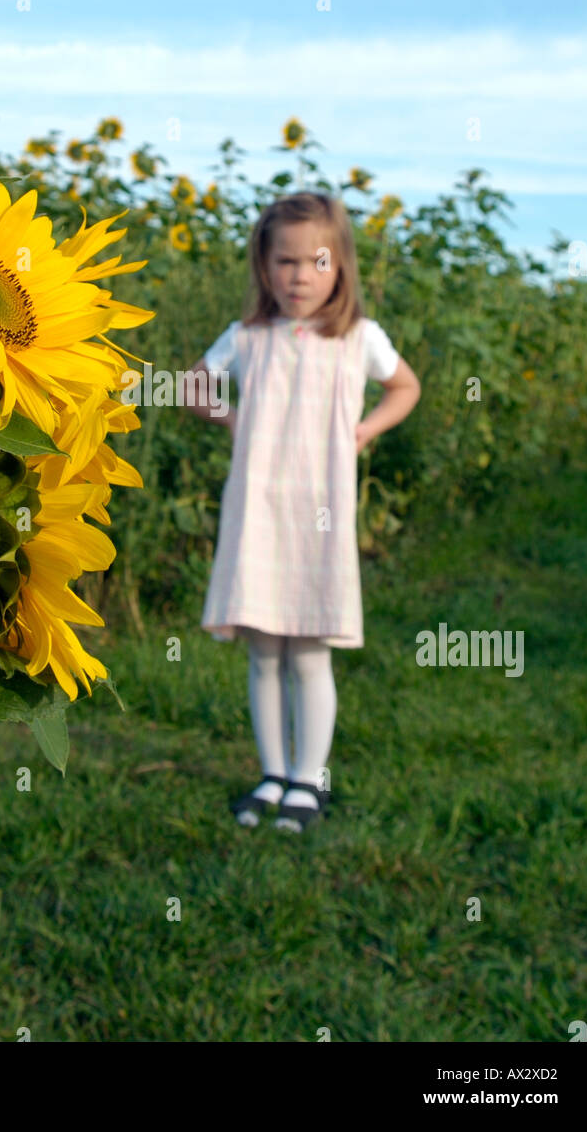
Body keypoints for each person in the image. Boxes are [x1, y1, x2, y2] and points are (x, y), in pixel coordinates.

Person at [186, 191, 421, 833]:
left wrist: (366, 430)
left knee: (310, 652)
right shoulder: (248, 338)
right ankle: (272, 772)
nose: (298, 275)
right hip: (257, 514)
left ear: (341, 266)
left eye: (316, 261)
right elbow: (192, 386)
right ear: (263, 268)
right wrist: (233, 420)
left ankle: (308, 780)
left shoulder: (358, 340)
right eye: (283, 261)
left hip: (319, 516)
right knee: (264, 652)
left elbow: (407, 386)